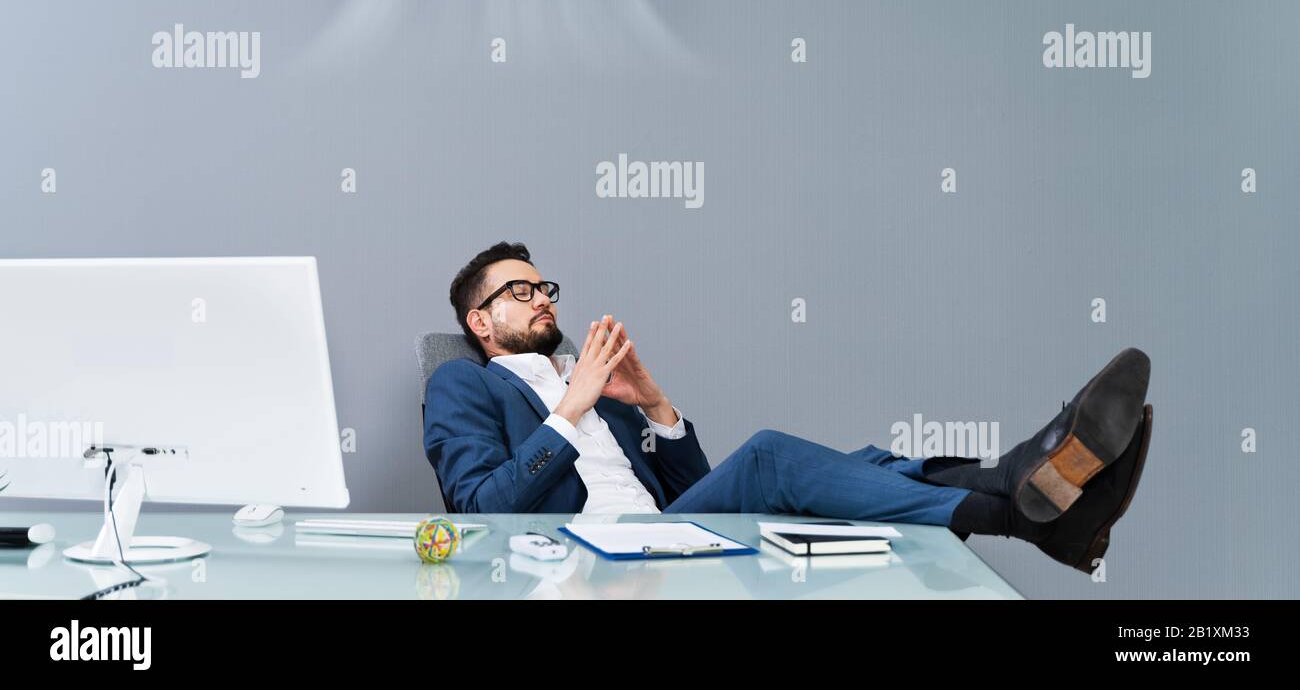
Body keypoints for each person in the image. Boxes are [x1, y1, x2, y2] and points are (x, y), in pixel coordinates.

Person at [423, 242, 1153, 573]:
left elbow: (696, 494)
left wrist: (656, 405)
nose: (544, 295)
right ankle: (1027, 508)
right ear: (481, 322)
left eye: (546, 285)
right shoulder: (467, 384)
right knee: (771, 454)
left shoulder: (598, 389)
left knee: (867, 463)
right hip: (589, 566)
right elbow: (480, 510)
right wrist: (569, 409)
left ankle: (1029, 496)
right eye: (521, 290)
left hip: (665, 541)